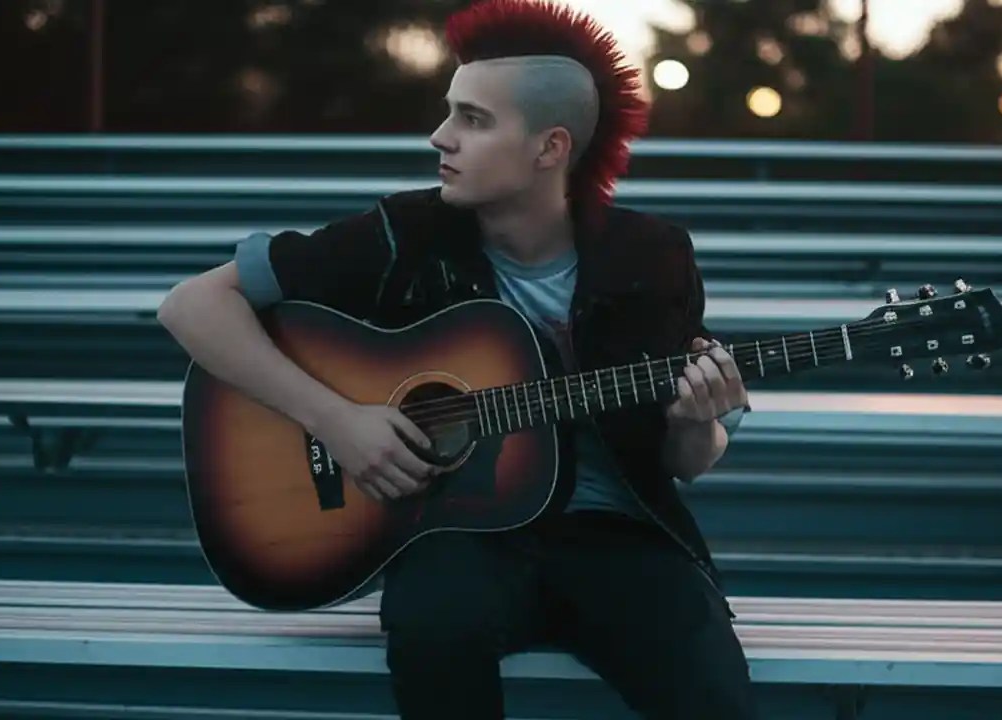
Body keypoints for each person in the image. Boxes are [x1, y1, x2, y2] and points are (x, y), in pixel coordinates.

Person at [158, 1, 756, 717]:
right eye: (450, 112)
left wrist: (698, 421)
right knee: (434, 631)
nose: (440, 136)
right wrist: (338, 419)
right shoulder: (404, 232)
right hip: (461, 533)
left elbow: (687, 458)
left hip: (618, 538)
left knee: (713, 695)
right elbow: (191, 306)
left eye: (473, 119)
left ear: (550, 147)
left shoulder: (651, 255)